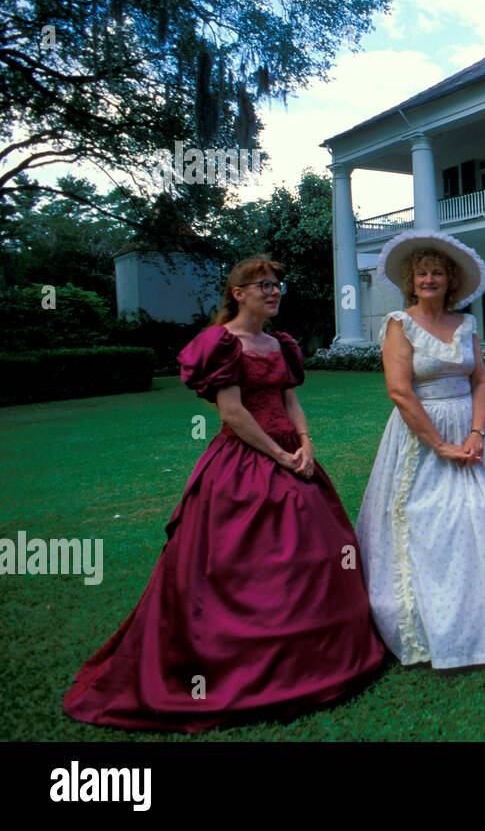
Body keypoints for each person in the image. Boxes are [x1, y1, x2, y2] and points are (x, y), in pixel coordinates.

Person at [63, 255, 385, 732]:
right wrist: (280, 456)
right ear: (238, 293)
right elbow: (232, 414)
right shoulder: (220, 345)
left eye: (278, 285)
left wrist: (307, 445)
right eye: (263, 286)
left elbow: (288, 399)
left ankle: (319, 660)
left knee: (318, 552)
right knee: (238, 562)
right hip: (244, 463)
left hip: (293, 453)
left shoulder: (280, 344)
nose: (273, 292)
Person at [355, 231, 485, 668]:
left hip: (471, 433)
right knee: (431, 518)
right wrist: (439, 445)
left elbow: (480, 380)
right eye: (421, 273)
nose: (429, 279)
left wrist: (476, 433)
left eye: (437, 272)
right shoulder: (400, 323)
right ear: (410, 281)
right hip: (420, 433)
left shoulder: (466, 324)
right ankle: (429, 624)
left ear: (449, 280)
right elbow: (399, 391)